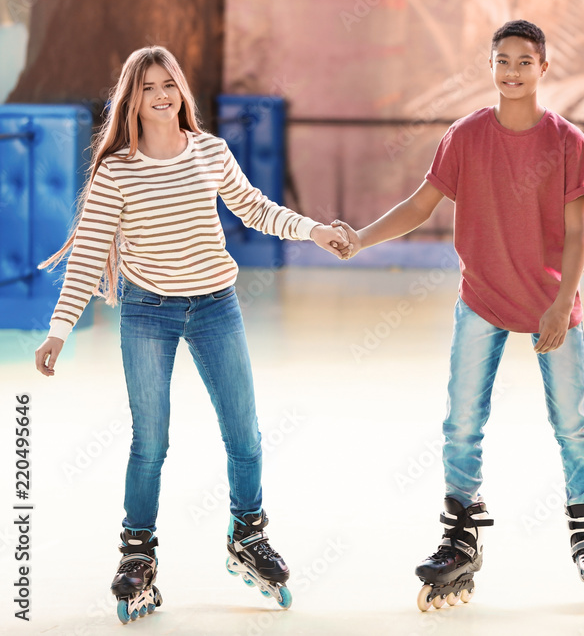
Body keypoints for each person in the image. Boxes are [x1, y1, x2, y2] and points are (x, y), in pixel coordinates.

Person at [33, 46, 350, 621]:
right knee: (149, 442)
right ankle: (138, 556)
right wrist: (59, 330)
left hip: (214, 305)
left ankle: (247, 534)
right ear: (131, 97)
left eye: (170, 84)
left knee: (244, 432)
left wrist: (314, 231)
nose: (162, 95)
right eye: (149, 86)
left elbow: (254, 208)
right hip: (147, 310)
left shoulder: (209, 151)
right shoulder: (117, 171)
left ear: (181, 91)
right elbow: (87, 255)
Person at [332, 20, 584, 612]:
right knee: (462, 421)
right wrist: (360, 239)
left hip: (549, 301)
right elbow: (420, 205)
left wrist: (562, 303)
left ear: (544, 67)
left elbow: (576, 234)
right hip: (482, 296)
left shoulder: (567, 142)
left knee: (573, 423)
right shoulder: (465, 136)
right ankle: (460, 530)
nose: (512, 71)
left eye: (524, 61)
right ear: (491, 66)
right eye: (502, 61)